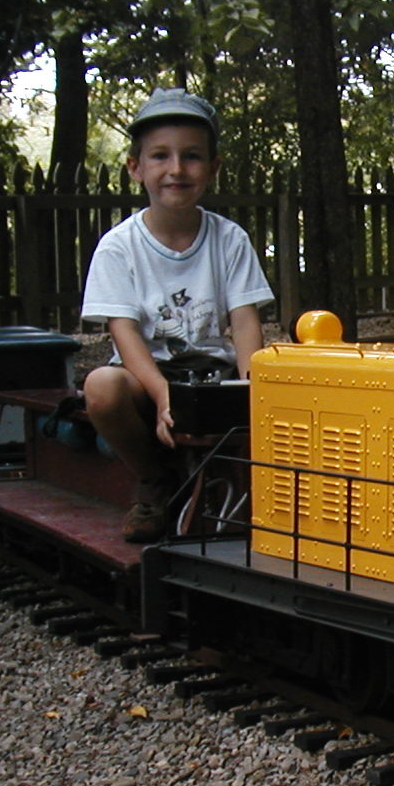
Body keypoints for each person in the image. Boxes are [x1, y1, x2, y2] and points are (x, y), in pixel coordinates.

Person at [80, 88, 274, 543]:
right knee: (100, 388)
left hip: (212, 375)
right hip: (148, 377)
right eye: (160, 156)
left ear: (213, 168)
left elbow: (244, 322)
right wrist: (164, 397)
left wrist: (254, 390)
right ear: (136, 168)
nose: (176, 170)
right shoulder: (118, 247)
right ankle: (154, 479)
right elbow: (124, 334)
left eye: (191, 157)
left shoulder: (229, 240)